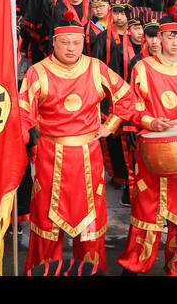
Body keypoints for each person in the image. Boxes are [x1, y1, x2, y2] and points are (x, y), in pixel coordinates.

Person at [17, 21, 141, 273]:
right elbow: (22, 113)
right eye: (64, 43)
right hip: (50, 156)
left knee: (90, 228)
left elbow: (127, 96)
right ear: (53, 43)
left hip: (89, 156)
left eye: (76, 43)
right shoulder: (37, 72)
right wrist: (12, 144)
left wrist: (112, 123)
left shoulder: (96, 68)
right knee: (47, 225)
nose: (71, 49)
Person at [118, 20, 177, 275]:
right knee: (146, 209)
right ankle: (135, 266)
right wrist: (151, 121)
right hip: (154, 148)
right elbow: (133, 107)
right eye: (170, 38)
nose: (174, 43)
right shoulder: (143, 68)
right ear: (159, 39)